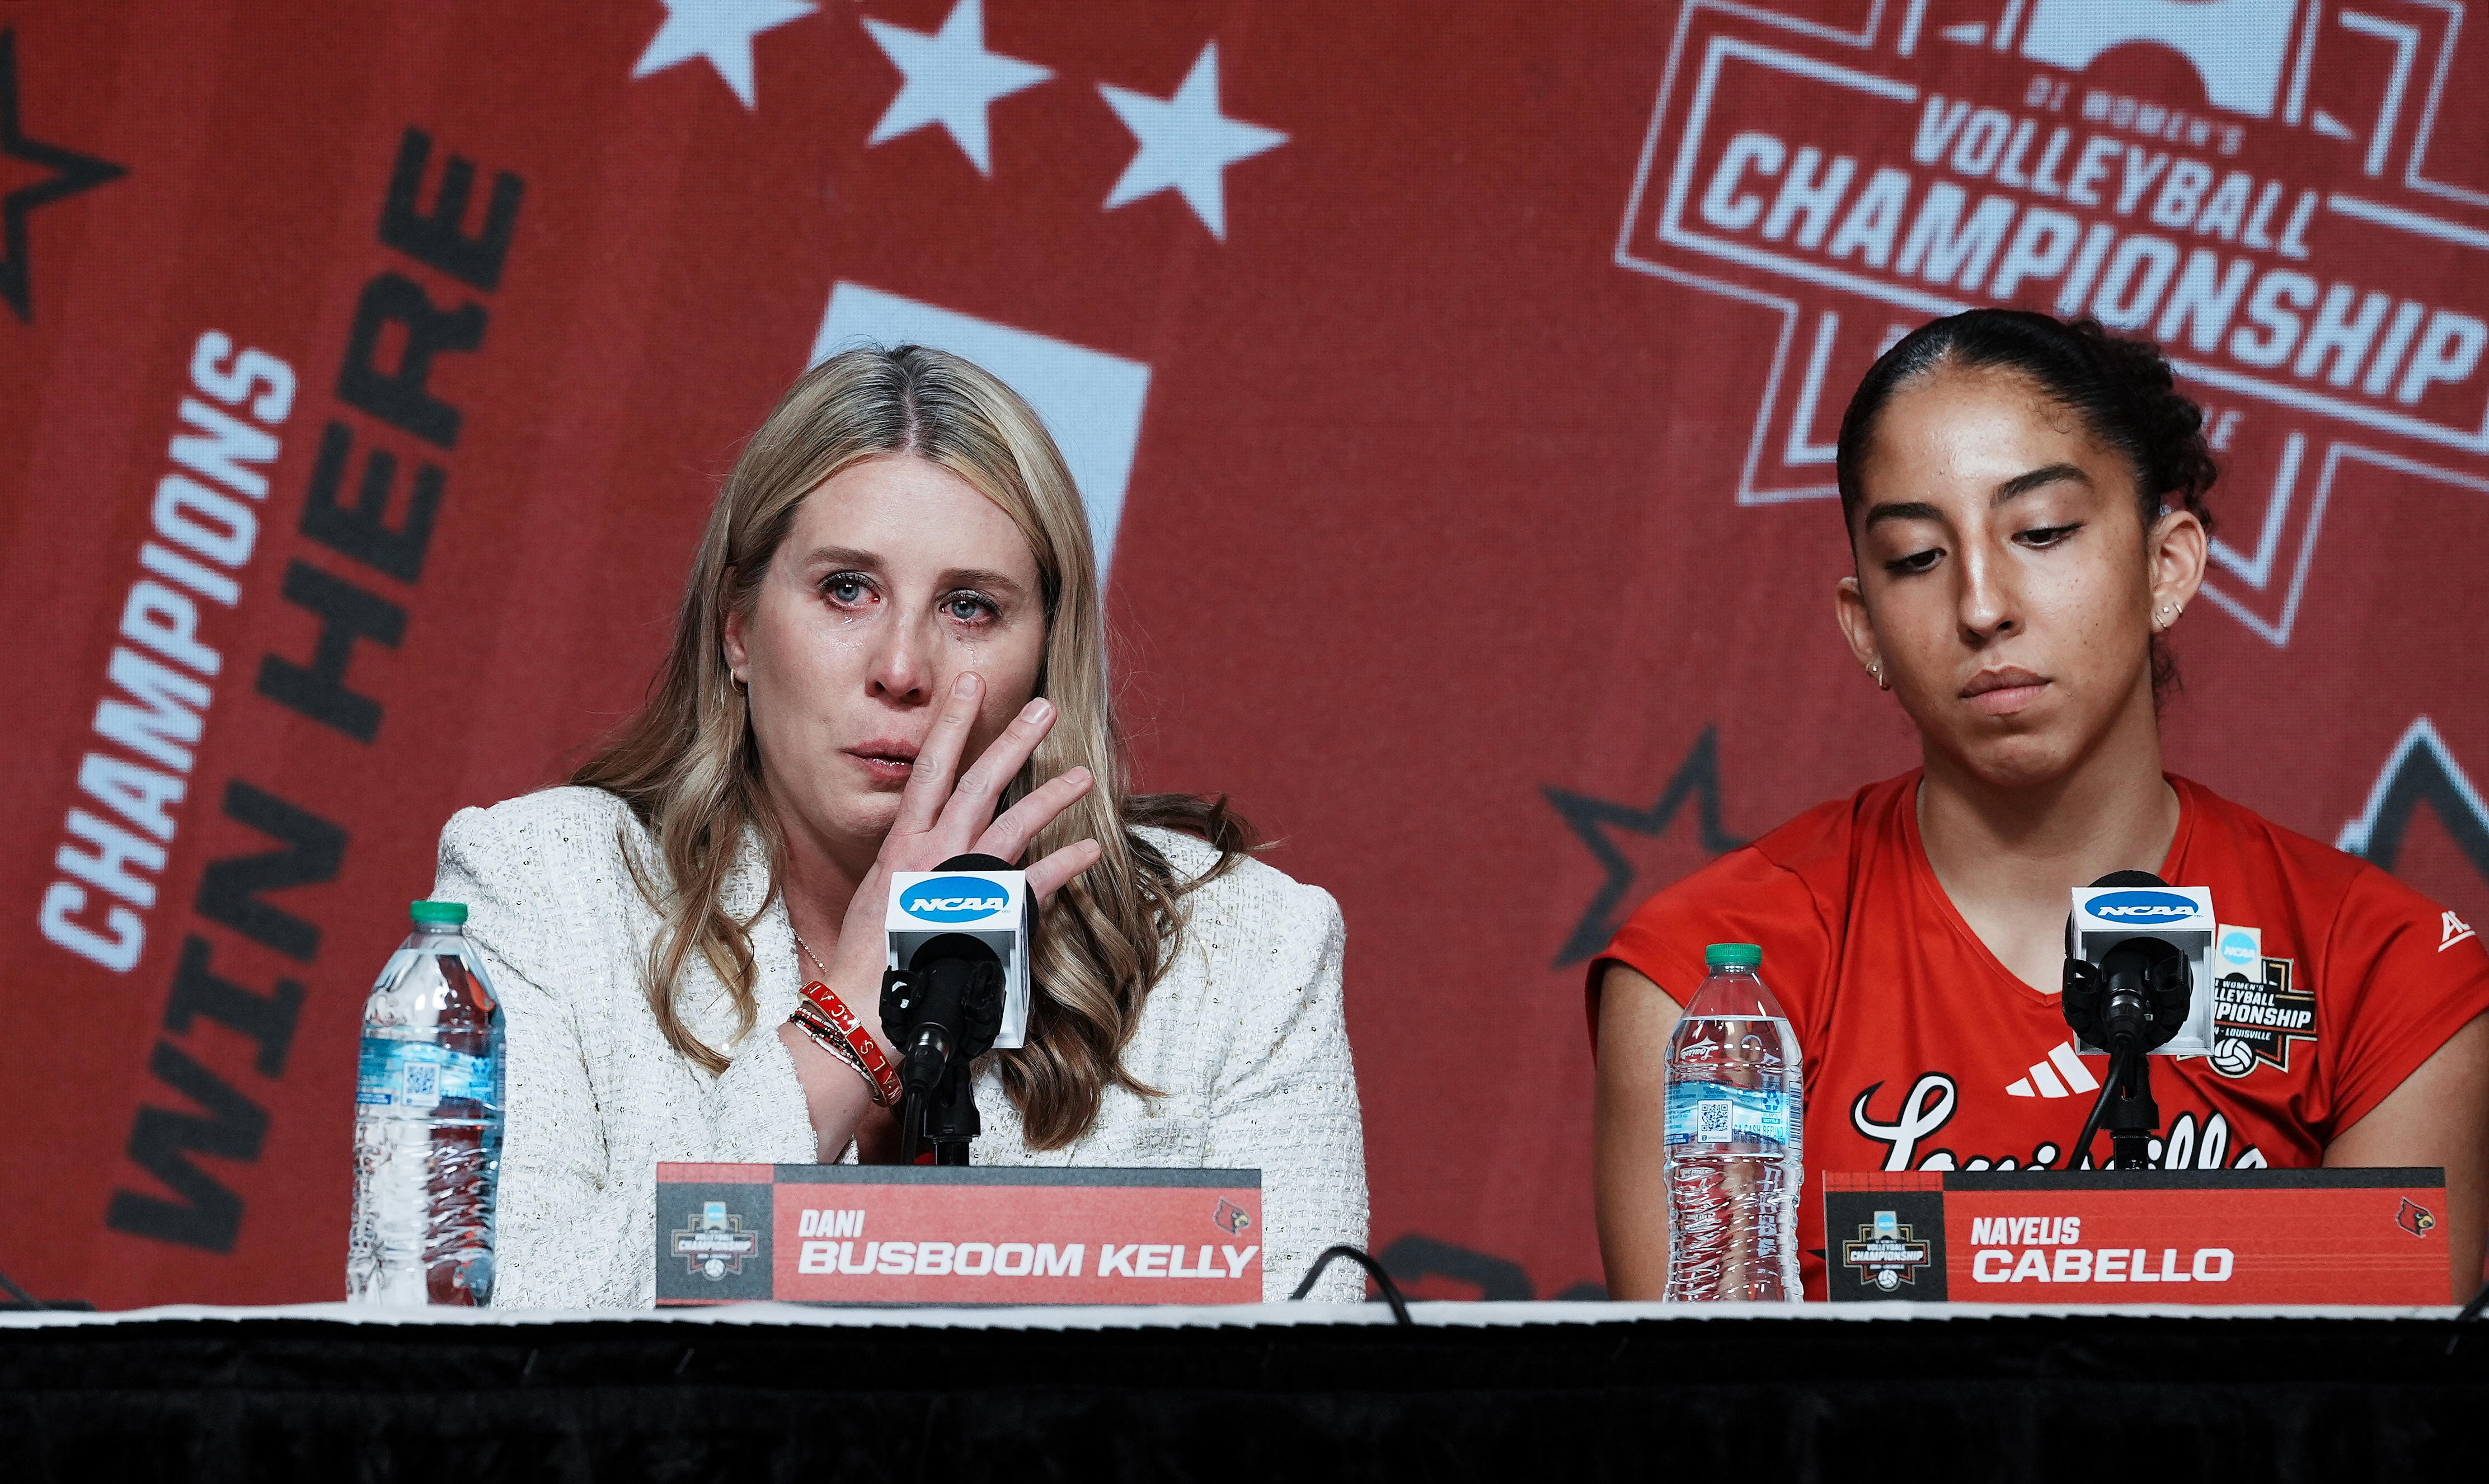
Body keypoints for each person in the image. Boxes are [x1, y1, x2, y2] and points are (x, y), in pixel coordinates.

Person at [433, 345, 1367, 1307]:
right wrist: (851, 1022)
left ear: (1047, 656)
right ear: (739, 628)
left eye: (970, 607)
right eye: (847, 588)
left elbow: (1308, 1421)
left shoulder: (1242, 950)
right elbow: (473, 1346)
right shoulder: (543, 889)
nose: (903, 667)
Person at [1590, 310, 2489, 1302]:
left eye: (2044, 531)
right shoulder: (1713, 986)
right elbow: (1709, 1420)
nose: (1982, 605)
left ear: (2168, 566)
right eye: (1917, 559)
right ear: (1865, 631)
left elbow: (2378, 1423)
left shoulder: (2388, 973)